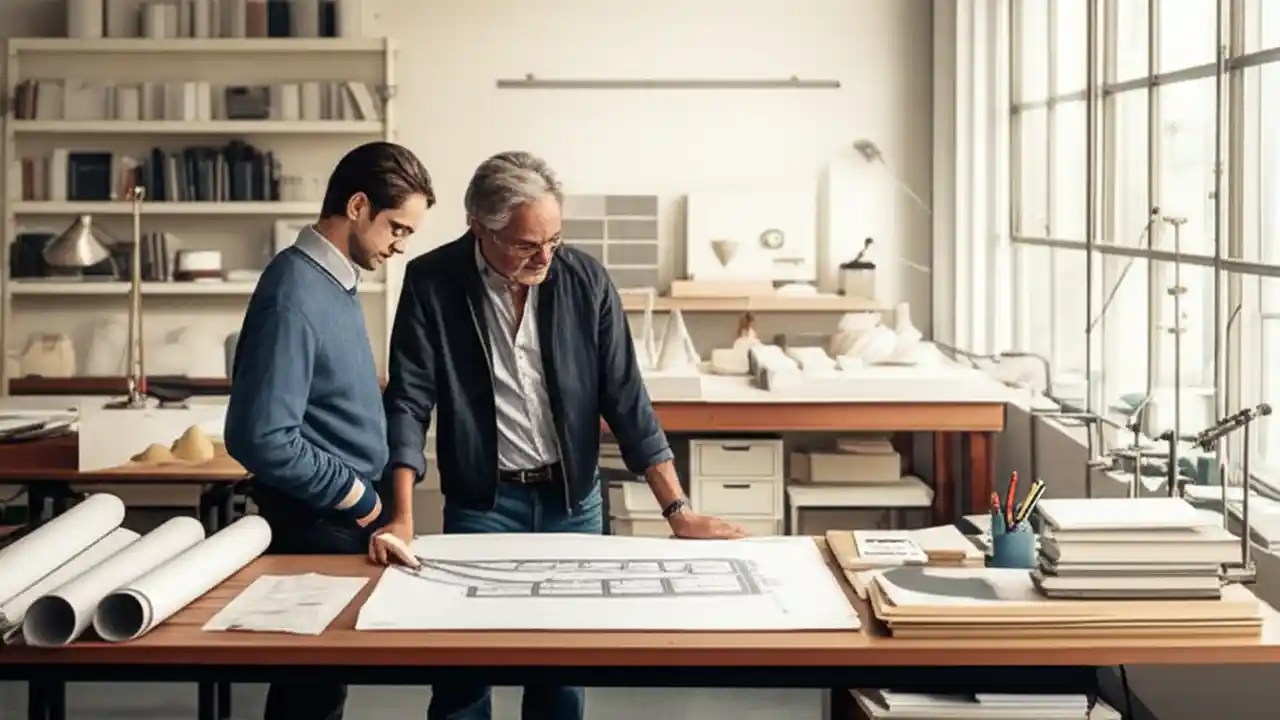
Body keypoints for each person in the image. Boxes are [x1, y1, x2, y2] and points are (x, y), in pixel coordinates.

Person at [377, 150, 744, 720]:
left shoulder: (584, 279)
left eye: (555, 239)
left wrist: (678, 510)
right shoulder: (432, 282)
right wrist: (400, 515)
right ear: (480, 227)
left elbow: (626, 398)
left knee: (560, 676)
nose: (544, 256)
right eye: (526, 244)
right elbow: (407, 401)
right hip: (483, 503)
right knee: (464, 672)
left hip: (572, 502)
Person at [224, 140, 435, 720]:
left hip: (338, 519)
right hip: (316, 522)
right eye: (397, 227)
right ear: (359, 205)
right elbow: (261, 435)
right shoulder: (294, 291)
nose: (400, 245)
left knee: (321, 689)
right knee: (309, 693)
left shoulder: (334, 280)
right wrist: (361, 497)